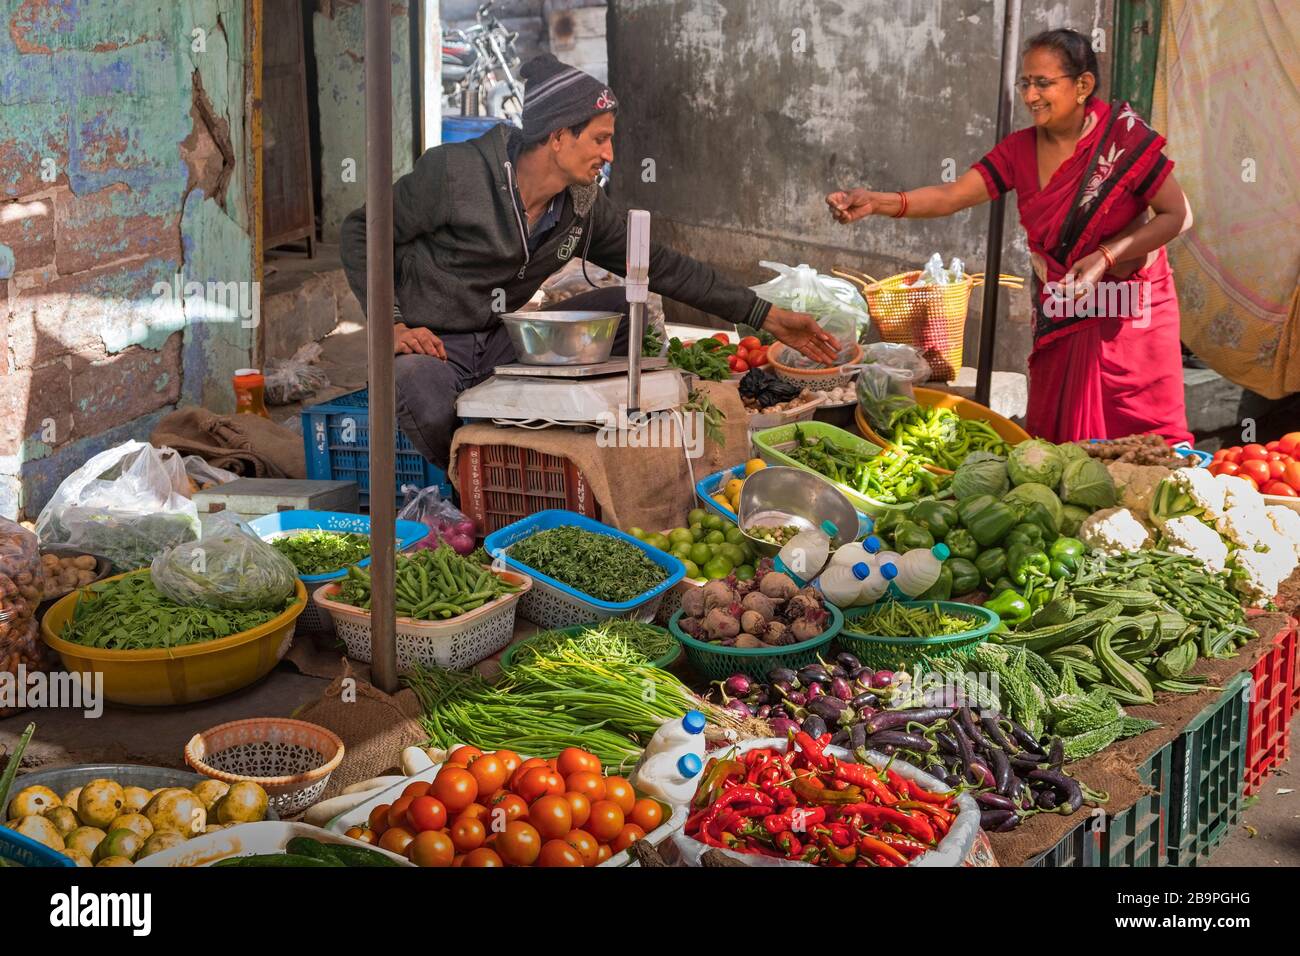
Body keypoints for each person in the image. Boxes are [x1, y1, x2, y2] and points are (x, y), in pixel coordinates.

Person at [341, 54, 839, 471]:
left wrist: (765, 315)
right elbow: (363, 230)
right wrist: (392, 325)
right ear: (558, 136)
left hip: (501, 340)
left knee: (628, 302)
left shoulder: (579, 204)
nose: (610, 154)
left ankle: (575, 447)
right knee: (416, 386)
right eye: (600, 139)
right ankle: (468, 481)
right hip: (433, 346)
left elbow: (658, 265)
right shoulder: (454, 173)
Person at [826, 29, 1194, 445]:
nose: (1030, 95)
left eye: (1043, 83)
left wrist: (1106, 257)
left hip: (1129, 310)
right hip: (1065, 307)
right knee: (1059, 443)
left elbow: (1179, 215)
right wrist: (877, 202)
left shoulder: (1122, 141)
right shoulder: (1019, 150)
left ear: (1083, 85)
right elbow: (951, 196)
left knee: (1144, 438)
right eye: (1025, 83)